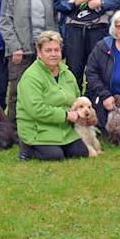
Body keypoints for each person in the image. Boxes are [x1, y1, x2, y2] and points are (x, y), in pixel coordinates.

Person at [0, 0, 58, 119]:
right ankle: (13, 131)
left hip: (44, 51)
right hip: (20, 52)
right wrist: (15, 47)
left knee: (45, 92)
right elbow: (4, 21)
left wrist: (54, 47)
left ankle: (42, 127)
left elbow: (54, 20)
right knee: (18, 92)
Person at [15, 30, 88, 161]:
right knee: (55, 156)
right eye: (48, 50)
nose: (53, 54)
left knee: (81, 152)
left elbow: (77, 99)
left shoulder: (67, 74)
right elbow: (36, 110)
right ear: (39, 52)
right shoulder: (31, 77)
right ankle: (27, 148)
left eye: (57, 50)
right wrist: (66, 115)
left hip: (64, 128)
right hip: (38, 129)